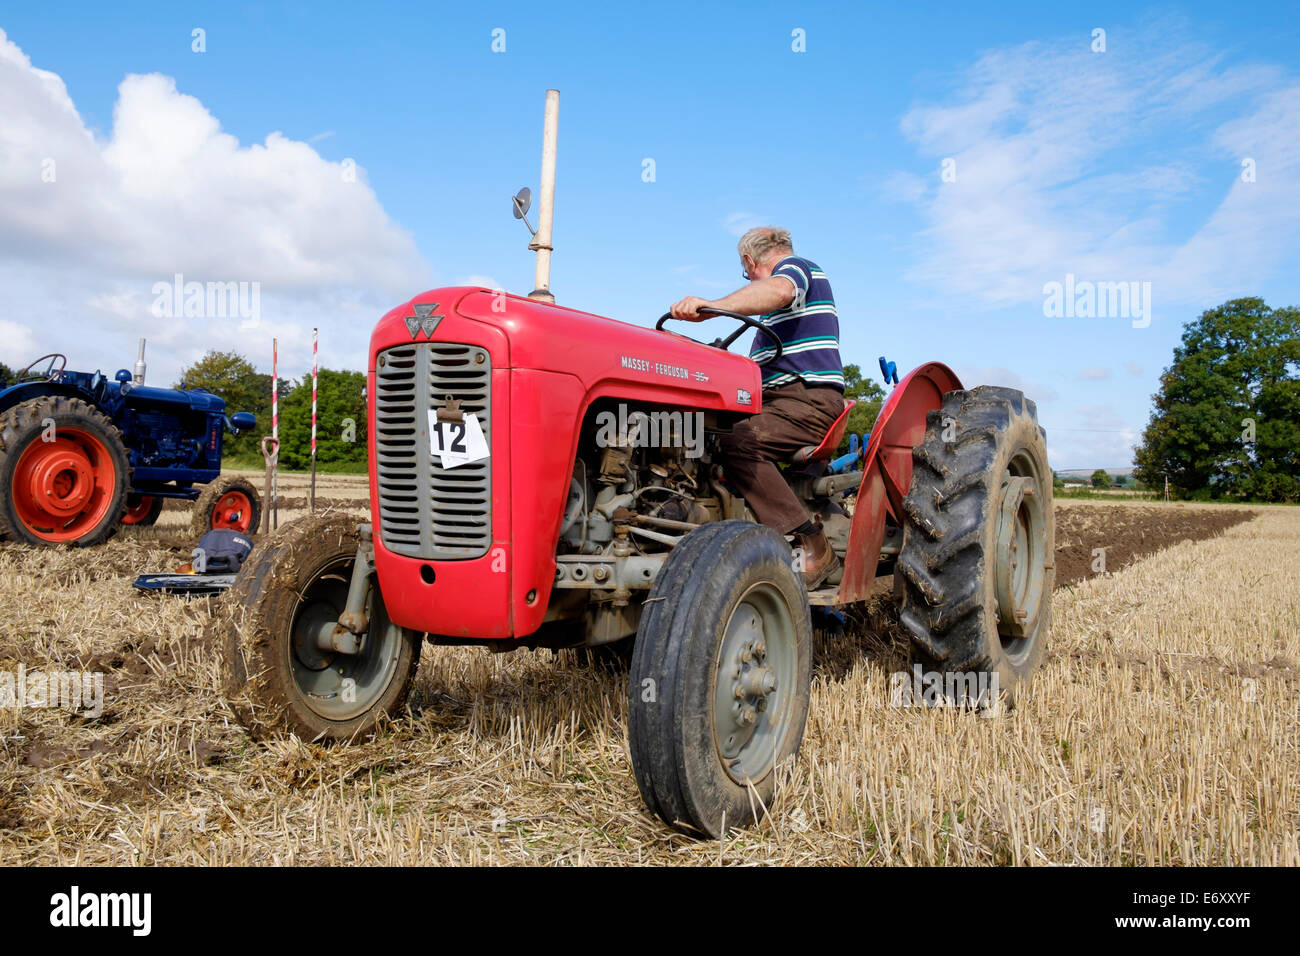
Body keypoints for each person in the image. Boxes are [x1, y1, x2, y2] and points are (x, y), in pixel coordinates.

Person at [669, 226, 844, 588]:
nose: (748, 278)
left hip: (807, 400)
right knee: (696, 430)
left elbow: (778, 289)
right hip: (776, 404)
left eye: (745, 273)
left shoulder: (798, 270)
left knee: (738, 441)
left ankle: (811, 544)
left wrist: (712, 307)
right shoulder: (771, 318)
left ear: (750, 261)